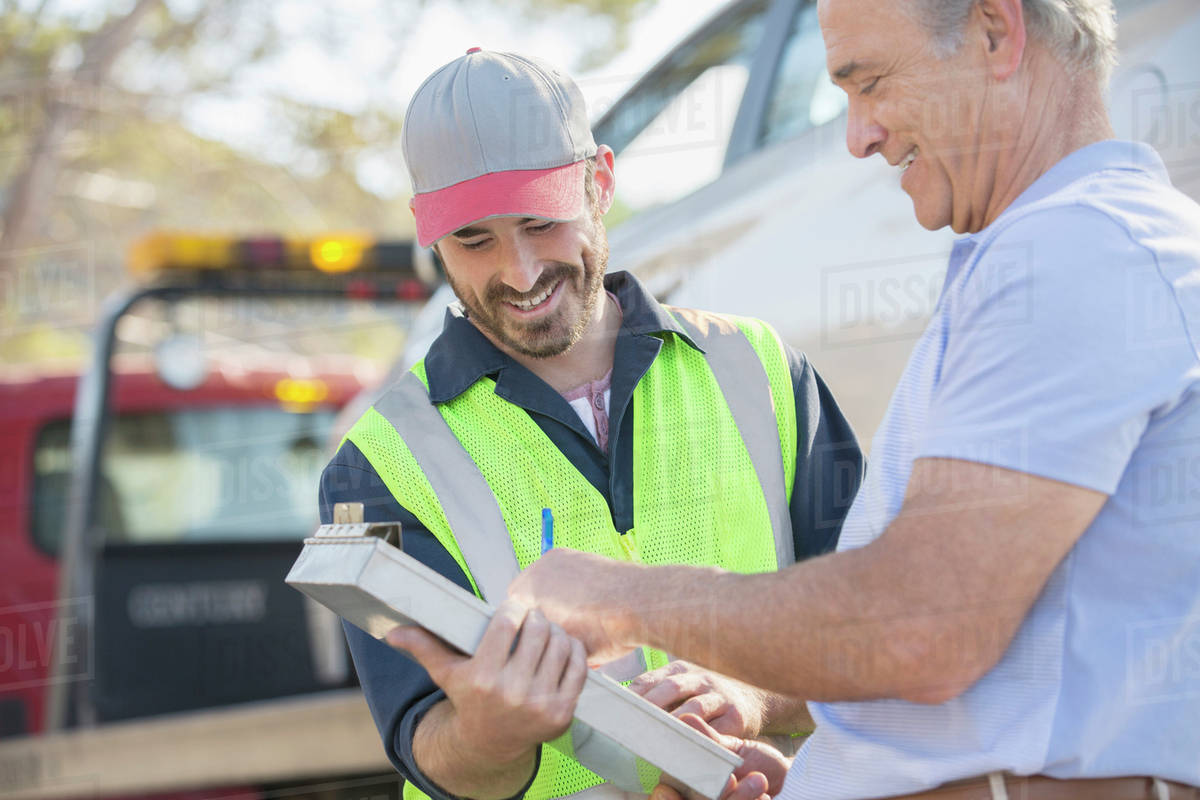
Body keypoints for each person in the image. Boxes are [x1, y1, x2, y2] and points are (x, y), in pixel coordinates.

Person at [507, 1, 1200, 798]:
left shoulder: (1079, 250)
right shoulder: (1080, 248)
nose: (858, 135)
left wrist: (621, 599)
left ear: (996, 32)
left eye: (869, 83)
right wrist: (808, 759)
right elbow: (1018, 640)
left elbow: (924, 625)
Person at [317, 48, 865, 800]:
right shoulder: (370, 468)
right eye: (474, 240)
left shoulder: (765, 371)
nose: (519, 271)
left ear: (599, 182)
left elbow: (878, 632)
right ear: (431, 236)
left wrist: (757, 695)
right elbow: (425, 745)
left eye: (541, 222)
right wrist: (488, 728)